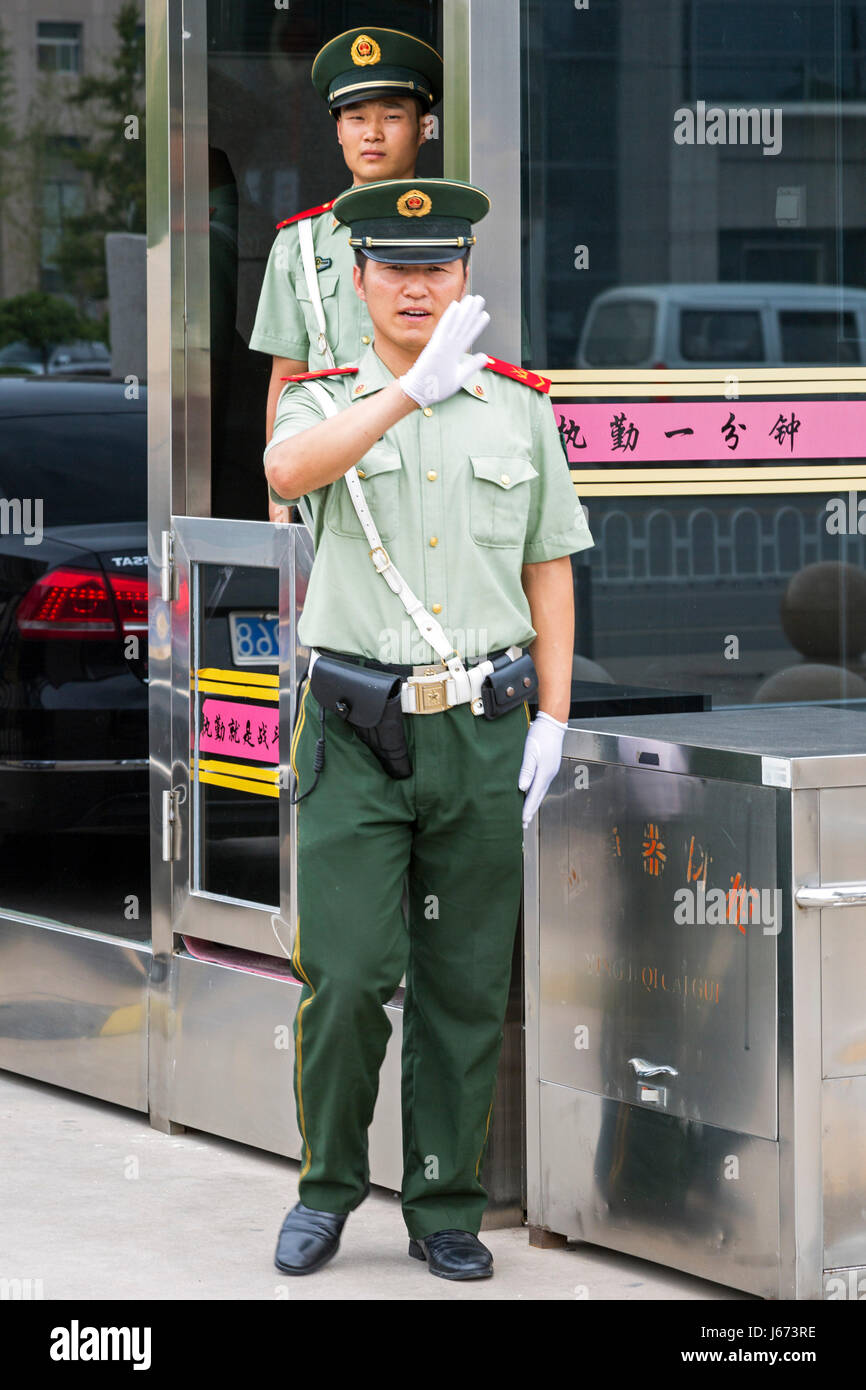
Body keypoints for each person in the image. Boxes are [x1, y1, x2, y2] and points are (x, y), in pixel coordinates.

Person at [263, 178, 594, 1281]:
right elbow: (283, 473)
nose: (416, 286)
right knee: (350, 975)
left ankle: (443, 1201)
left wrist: (551, 715)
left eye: (437, 269)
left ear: (465, 279)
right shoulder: (320, 396)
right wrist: (408, 397)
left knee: (460, 984)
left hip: (481, 731)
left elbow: (546, 567)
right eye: (395, 270)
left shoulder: (517, 406)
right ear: (356, 280)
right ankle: (324, 1189)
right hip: (355, 732)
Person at [249, 25, 443, 521]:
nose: (372, 133)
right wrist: (278, 495)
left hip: (437, 470)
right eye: (355, 118)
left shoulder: (457, 235)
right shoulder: (300, 242)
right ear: (338, 130)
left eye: (392, 117)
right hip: (334, 482)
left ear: (424, 126)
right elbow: (287, 376)